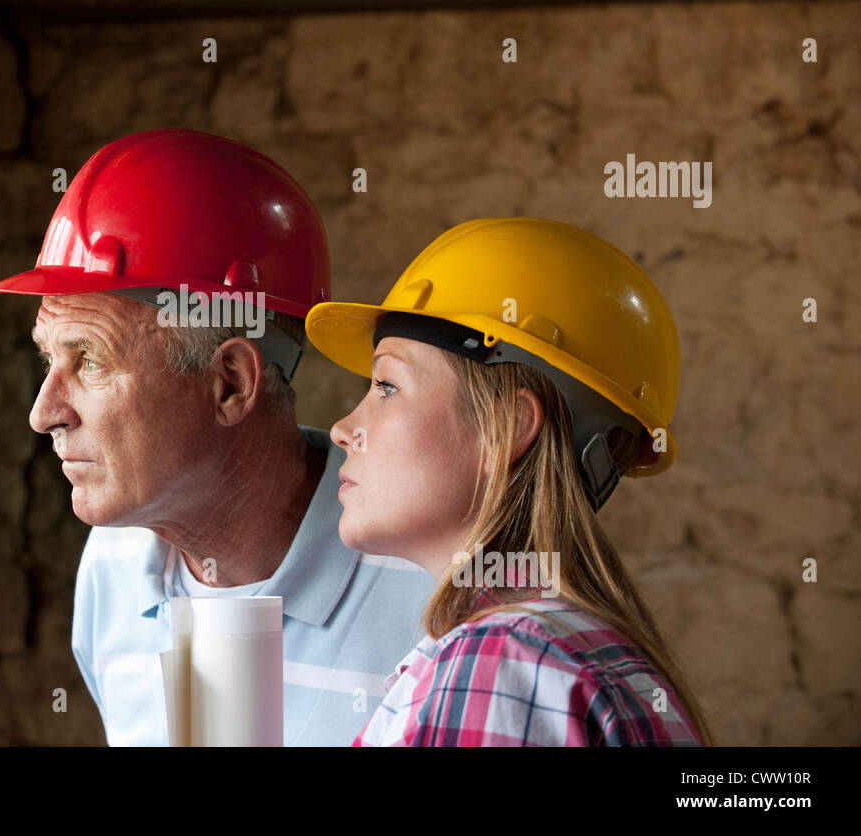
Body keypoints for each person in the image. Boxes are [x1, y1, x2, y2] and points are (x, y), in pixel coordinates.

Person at [0, 129, 433, 745]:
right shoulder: (112, 568)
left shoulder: (434, 593)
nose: (44, 414)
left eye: (89, 362)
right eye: (48, 360)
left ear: (228, 384)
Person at [305, 217, 712, 746]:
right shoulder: (573, 651)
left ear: (509, 428)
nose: (342, 429)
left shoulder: (501, 667)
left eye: (386, 385)